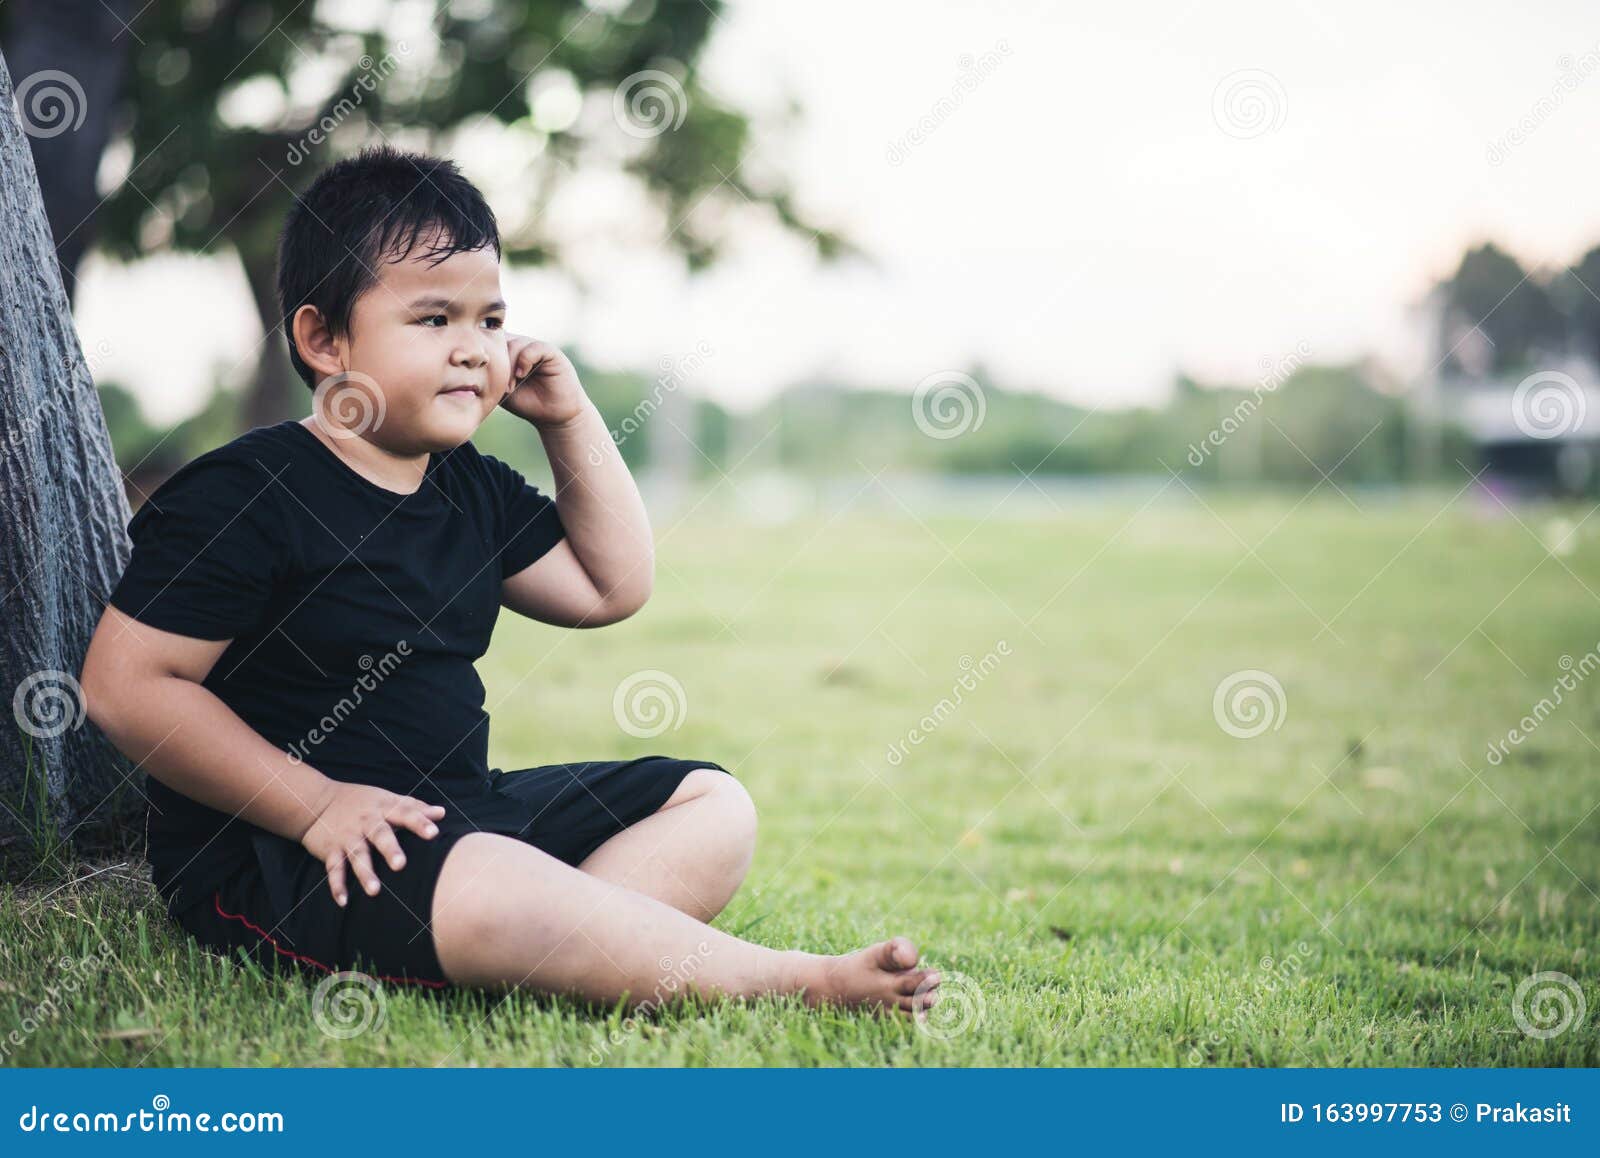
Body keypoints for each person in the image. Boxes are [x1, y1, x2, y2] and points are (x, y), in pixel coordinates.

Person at [79, 145, 941, 1015]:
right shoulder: (248, 492)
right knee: (492, 877)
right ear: (323, 339)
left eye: (490, 322)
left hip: (463, 815)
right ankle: (793, 981)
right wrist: (313, 806)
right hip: (288, 852)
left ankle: (566, 944)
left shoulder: (468, 484)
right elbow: (126, 686)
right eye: (433, 320)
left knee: (713, 805)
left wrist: (570, 419)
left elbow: (610, 588)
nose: (471, 350)